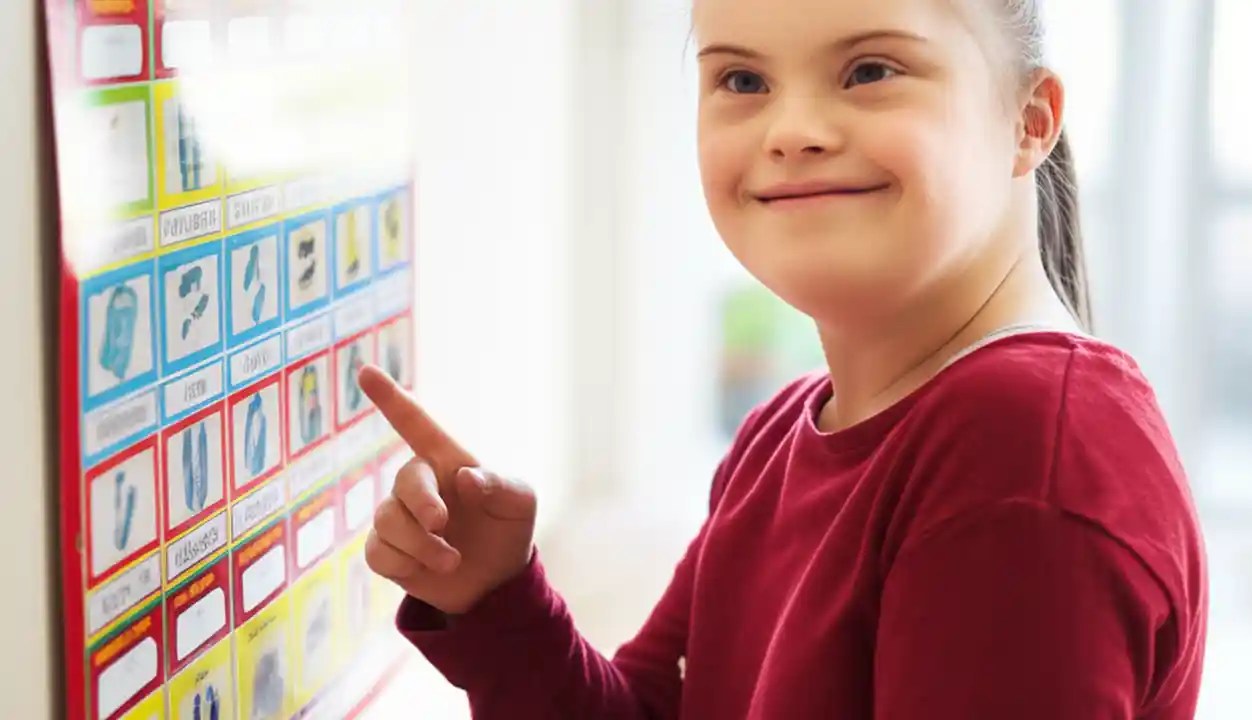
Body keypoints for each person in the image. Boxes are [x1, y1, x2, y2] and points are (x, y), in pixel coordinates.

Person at [357, 0, 1208, 716]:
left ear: (1030, 122)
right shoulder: (784, 429)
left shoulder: (1018, 455)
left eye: (871, 71)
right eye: (743, 80)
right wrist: (498, 600)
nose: (792, 130)